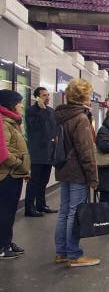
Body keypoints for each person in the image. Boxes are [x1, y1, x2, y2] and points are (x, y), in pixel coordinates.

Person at [54, 78, 100, 268]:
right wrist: (93, 177)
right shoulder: (80, 118)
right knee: (75, 211)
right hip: (78, 171)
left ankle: (61, 252)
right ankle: (74, 254)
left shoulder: (61, 115)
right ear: (84, 96)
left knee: (64, 211)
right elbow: (86, 151)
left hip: (63, 168)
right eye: (89, 95)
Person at [0, 90, 31, 259]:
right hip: (7, 175)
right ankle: (2, 246)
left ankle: (6, 241)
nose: (21, 105)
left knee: (10, 211)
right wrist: (18, 164)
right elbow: (2, 151)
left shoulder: (11, 122)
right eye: (18, 102)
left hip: (14, 174)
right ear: (10, 103)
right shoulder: (3, 123)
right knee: (5, 211)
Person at [24, 87, 57, 217]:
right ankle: (29, 207)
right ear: (37, 97)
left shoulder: (50, 111)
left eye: (48, 95)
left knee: (44, 181)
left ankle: (41, 205)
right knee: (34, 181)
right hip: (37, 152)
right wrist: (41, 110)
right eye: (44, 95)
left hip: (48, 151)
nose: (47, 97)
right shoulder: (31, 111)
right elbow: (36, 127)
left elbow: (53, 129)